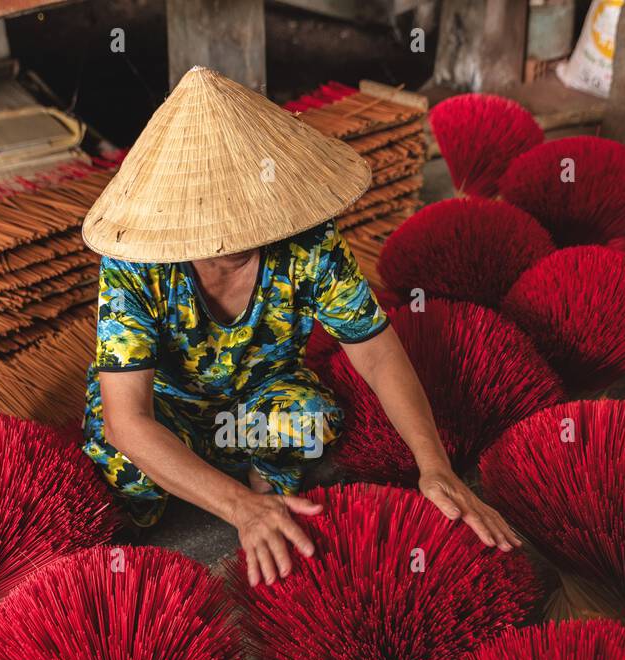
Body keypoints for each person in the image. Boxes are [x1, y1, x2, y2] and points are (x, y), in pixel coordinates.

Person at [80, 66, 520, 587]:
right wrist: (239, 508)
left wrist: (435, 467)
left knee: (314, 418)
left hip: (262, 399)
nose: (235, 232)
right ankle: (217, 481)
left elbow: (376, 352)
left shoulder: (309, 244)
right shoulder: (135, 264)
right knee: (124, 469)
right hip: (167, 409)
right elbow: (126, 420)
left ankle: (253, 474)